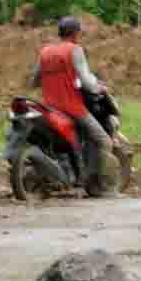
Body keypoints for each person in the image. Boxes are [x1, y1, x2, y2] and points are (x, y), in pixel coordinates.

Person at [27, 14, 115, 197]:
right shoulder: (75, 50)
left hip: (50, 108)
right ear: (75, 33)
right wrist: (100, 88)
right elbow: (86, 80)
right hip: (72, 107)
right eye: (79, 33)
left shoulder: (45, 51)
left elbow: (34, 81)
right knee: (103, 140)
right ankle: (98, 186)